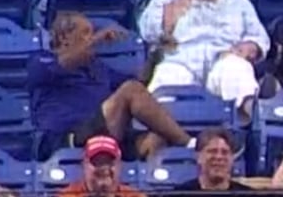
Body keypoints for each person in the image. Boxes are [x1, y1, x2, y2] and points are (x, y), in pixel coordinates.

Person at [29, 13, 195, 161]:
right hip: (67, 138)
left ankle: (149, 191)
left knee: (156, 138)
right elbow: (66, 63)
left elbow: (139, 85)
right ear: (64, 37)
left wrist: (154, 54)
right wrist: (97, 39)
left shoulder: (96, 67)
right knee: (130, 90)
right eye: (86, 33)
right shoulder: (42, 61)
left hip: (106, 133)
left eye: (92, 33)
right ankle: (190, 145)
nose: (91, 37)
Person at [137, 0, 269, 113]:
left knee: (237, 68)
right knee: (167, 76)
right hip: (180, 61)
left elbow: (259, 38)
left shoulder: (237, 2)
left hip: (222, 62)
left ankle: (247, 122)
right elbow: (148, 31)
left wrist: (246, 48)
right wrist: (179, 4)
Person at [52, 136, 149, 197]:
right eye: (96, 162)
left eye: (110, 163)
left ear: (120, 165)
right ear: (83, 165)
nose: (104, 168)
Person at [171, 128, 257, 197]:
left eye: (225, 152)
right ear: (198, 156)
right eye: (212, 151)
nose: (219, 157)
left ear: (232, 158)